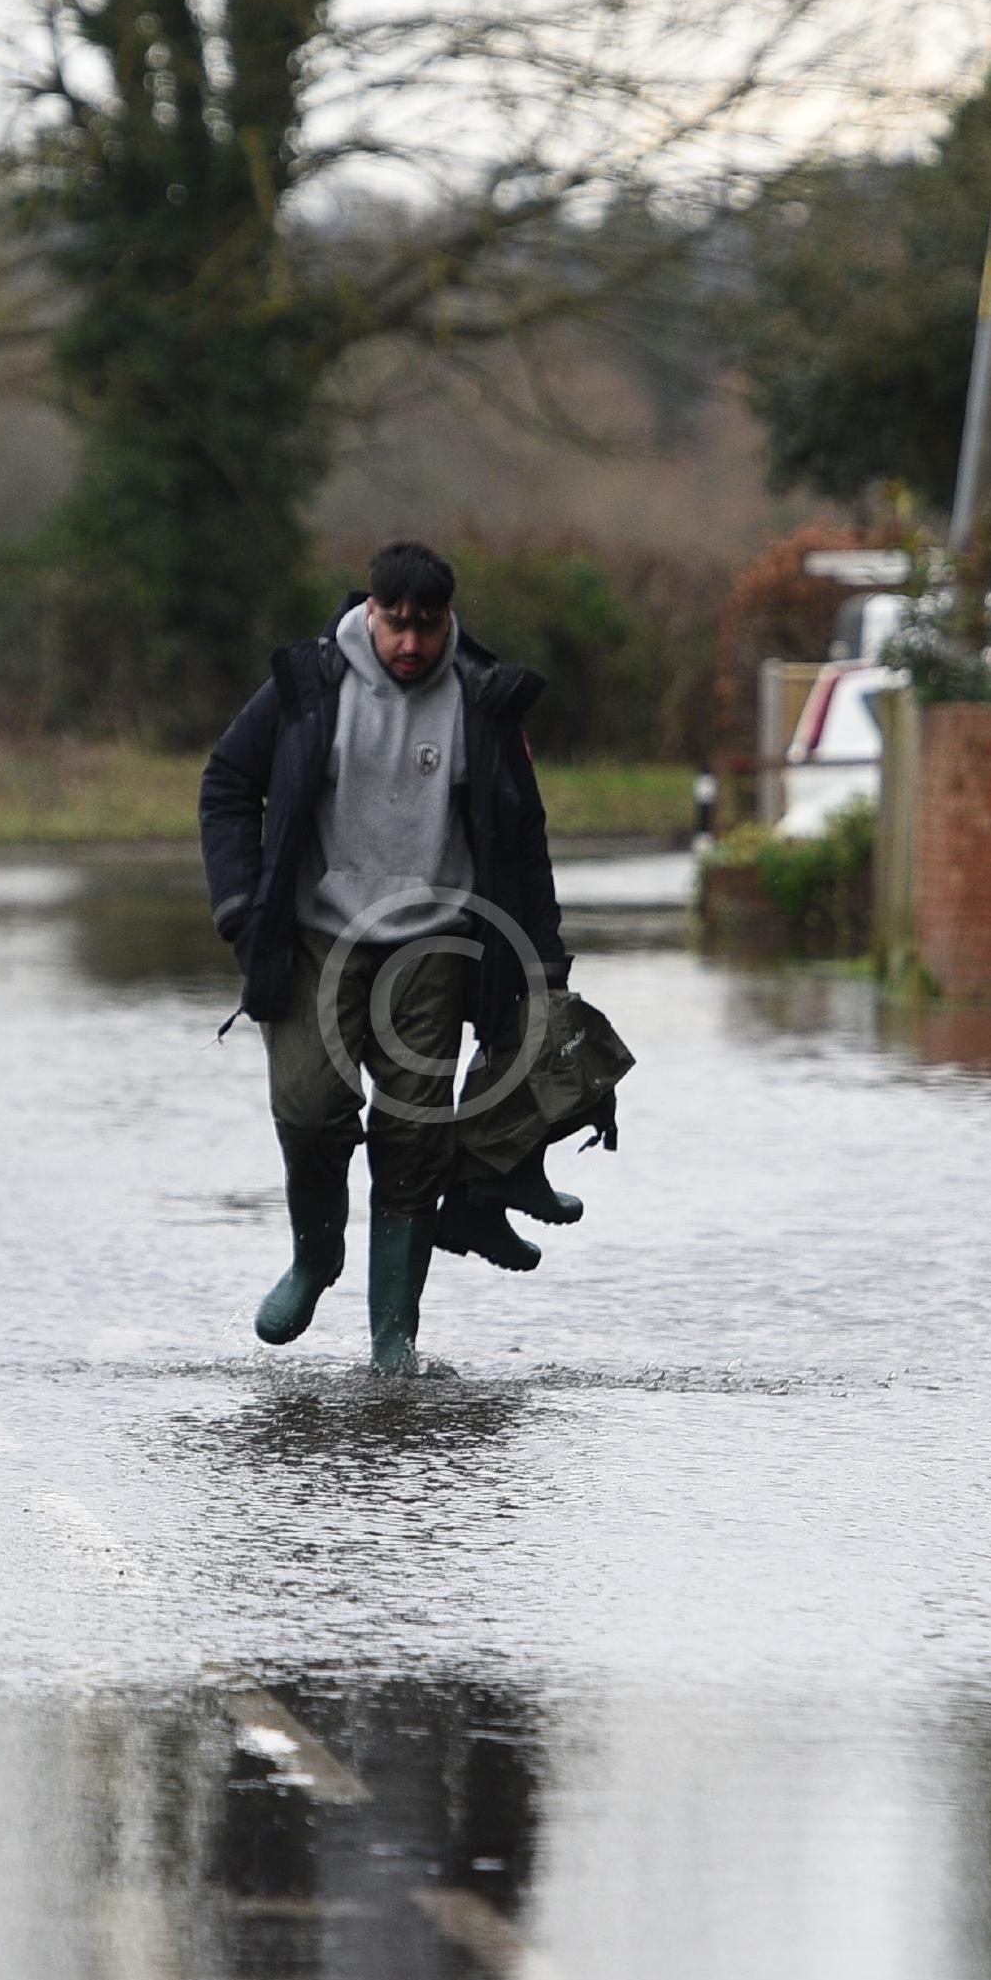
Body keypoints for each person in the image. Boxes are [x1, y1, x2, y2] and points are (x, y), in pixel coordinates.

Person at [200, 540, 580, 1376]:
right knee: (308, 1110)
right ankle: (314, 1260)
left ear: (450, 618)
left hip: (434, 944)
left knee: (412, 1137)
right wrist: (238, 906)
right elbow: (228, 780)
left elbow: (524, 840)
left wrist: (544, 964)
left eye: (427, 625)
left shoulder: (482, 699)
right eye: (395, 623)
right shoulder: (309, 686)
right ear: (369, 612)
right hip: (313, 934)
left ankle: (392, 1344)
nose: (410, 643)